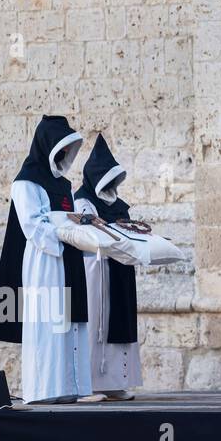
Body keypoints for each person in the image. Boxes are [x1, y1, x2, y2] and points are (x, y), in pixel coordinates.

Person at [0, 116, 94, 404]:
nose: (67, 156)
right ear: (48, 147)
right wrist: (65, 231)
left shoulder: (65, 185)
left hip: (68, 258)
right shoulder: (26, 183)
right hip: (46, 261)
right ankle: (45, 389)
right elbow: (33, 225)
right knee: (48, 325)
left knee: (69, 324)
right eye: (63, 149)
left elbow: (68, 219)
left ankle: (71, 387)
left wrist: (85, 230)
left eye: (70, 150)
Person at [73, 134, 141, 402]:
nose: (111, 185)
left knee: (119, 324)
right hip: (96, 272)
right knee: (96, 325)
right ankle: (89, 384)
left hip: (120, 270)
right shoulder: (83, 202)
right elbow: (88, 233)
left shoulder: (119, 205)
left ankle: (114, 382)